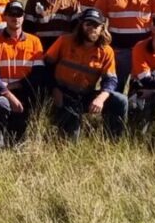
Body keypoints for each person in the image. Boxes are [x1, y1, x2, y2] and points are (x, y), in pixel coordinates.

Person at [44, 8, 127, 140]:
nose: (92, 28)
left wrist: (100, 99)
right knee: (71, 139)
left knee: (120, 100)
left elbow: (110, 80)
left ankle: (113, 140)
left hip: (85, 96)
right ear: (81, 25)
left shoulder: (106, 51)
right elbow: (46, 67)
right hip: (61, 94)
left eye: (96, 25)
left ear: (102, 28)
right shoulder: (64, 41)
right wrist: (54, 90)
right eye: (88, 24)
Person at [0, 0, 45, 147]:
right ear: (4, 16)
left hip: (25, 90)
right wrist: (9, 95)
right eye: (11, 14)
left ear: (23, 17)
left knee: (19, 134)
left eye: (19, 14)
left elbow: (38, 74)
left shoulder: (34, 41)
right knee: (1, 105)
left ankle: (17, 145)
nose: (15, 17)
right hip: (2, 92)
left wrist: (16, 85)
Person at [95, 0, 155, 92]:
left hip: (143, 51)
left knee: (141, 87)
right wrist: (102, 44)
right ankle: (113, 112)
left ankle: (137, 113)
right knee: (115, 85)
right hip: (118, 50)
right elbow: (97, 20)